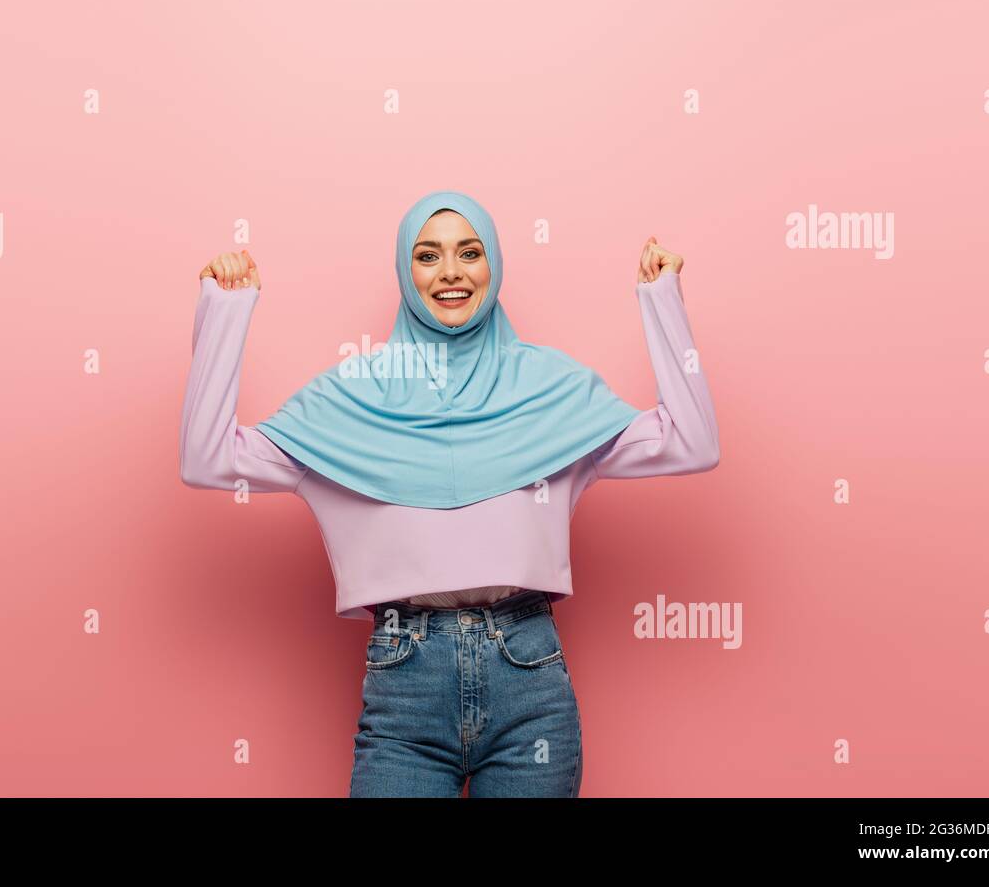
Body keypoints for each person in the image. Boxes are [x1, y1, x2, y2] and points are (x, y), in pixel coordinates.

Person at [180, 190, 719, 796]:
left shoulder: (550, 390)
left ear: (493, 265)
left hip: (531, 686)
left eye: (470, 251)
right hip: (404, 693)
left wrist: (661, 302)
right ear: (406, 275)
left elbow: (692, 443)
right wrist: (224, 313)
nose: (452, 273)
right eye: (428, 255)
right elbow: (208, 459)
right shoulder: (350, 400)